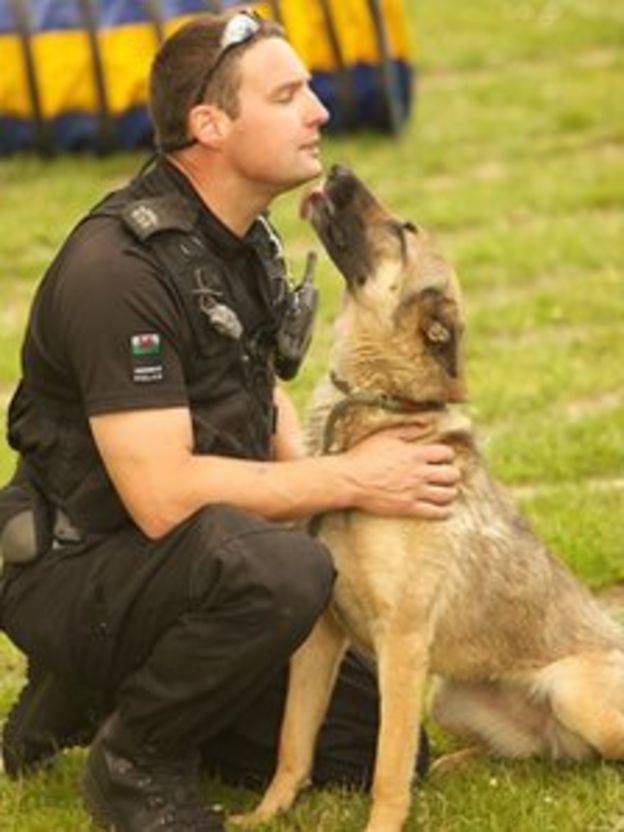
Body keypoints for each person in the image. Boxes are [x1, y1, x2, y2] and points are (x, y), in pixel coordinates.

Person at [0, 10, 459, 831]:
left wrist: (339, 477)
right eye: (287, 96)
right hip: (83, 565)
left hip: (190, 566)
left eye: (311, 89)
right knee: (283, 572)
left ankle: (97, 692)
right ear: (209, 125)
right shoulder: (119, 272)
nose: (319, 111)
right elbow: (163, 497)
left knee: (371, 746)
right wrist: (351, 478)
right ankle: (133, 760)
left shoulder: (238, 236)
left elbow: (254, 388)